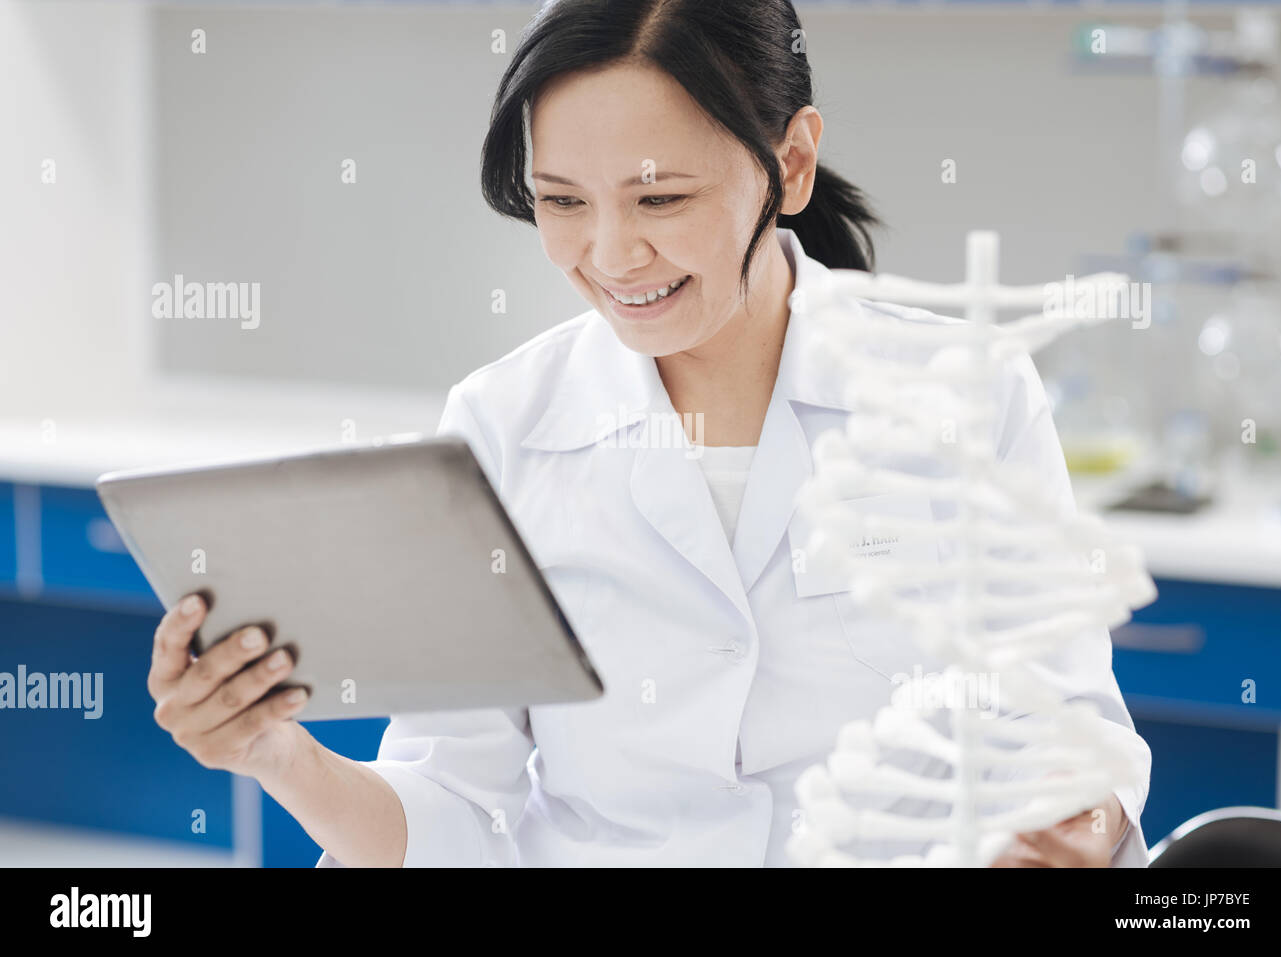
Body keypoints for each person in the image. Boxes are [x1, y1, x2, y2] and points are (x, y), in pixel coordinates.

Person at [147, 0, 1150, 867]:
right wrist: (272, 752)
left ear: (789, 162)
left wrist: (1066, 821)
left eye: (660, 198)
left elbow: (1065, 731)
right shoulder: (503, 429)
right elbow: (458, 815)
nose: (612, 254)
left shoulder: (962, 398)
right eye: (560, 204)